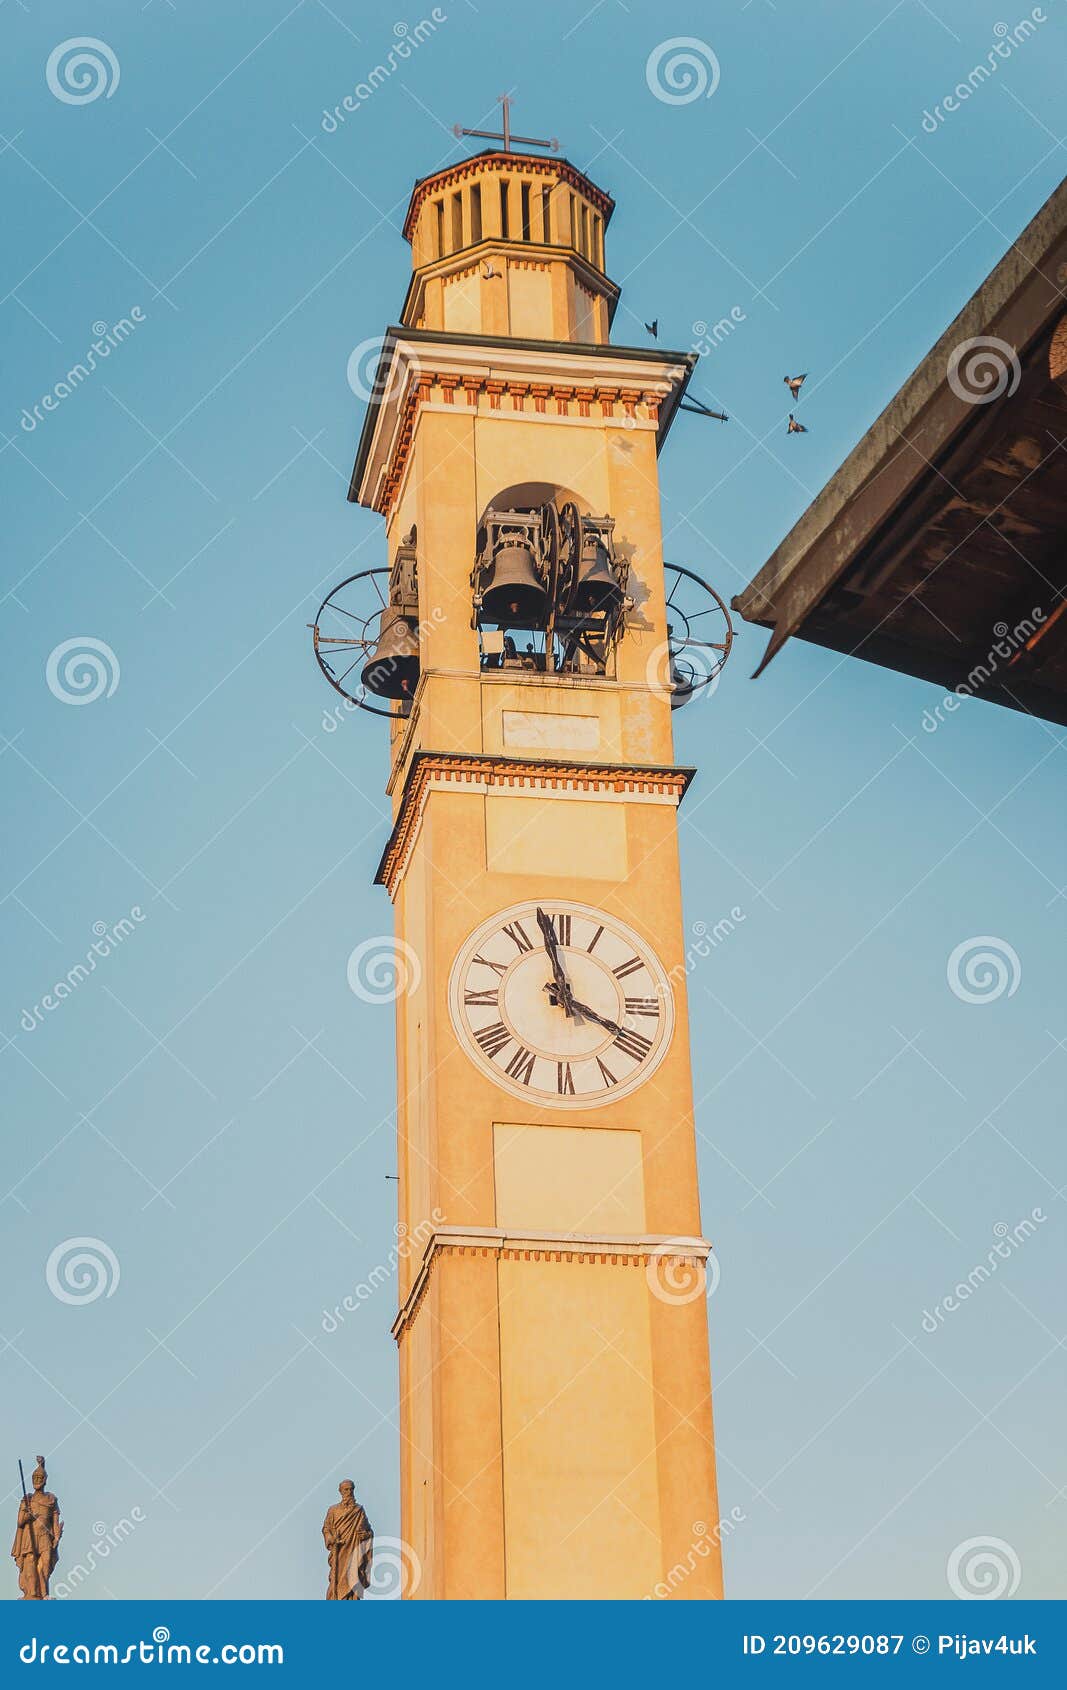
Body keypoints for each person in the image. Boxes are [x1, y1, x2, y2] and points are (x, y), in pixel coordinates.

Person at [11, 1457, 62, 1600]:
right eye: (35, 1477)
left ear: (45, 1480)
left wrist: (56, 1537)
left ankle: (44, 1594)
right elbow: (20, 1522)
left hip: (45, 1537)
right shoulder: (27, 1499)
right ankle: (31, 1594)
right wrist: (28, 1516)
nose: (37, 1480)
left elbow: (55, 1522)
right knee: (30, 1566)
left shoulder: (51, 1499)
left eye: (40, 1477)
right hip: (29, 1537)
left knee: (45, 1566)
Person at [321, 1480, 372, 1600]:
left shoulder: (359, 1511)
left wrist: (364, 1536)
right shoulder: (333, 1510)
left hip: (354, 1552)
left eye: (351, 1489)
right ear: (340, 1491)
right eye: (346, 1489)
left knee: (353, 1579)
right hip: (339, 1552)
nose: (349, 1492)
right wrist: (331, 1539)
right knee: (337, 1583)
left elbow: (369, 1532)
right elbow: (326, 1528)